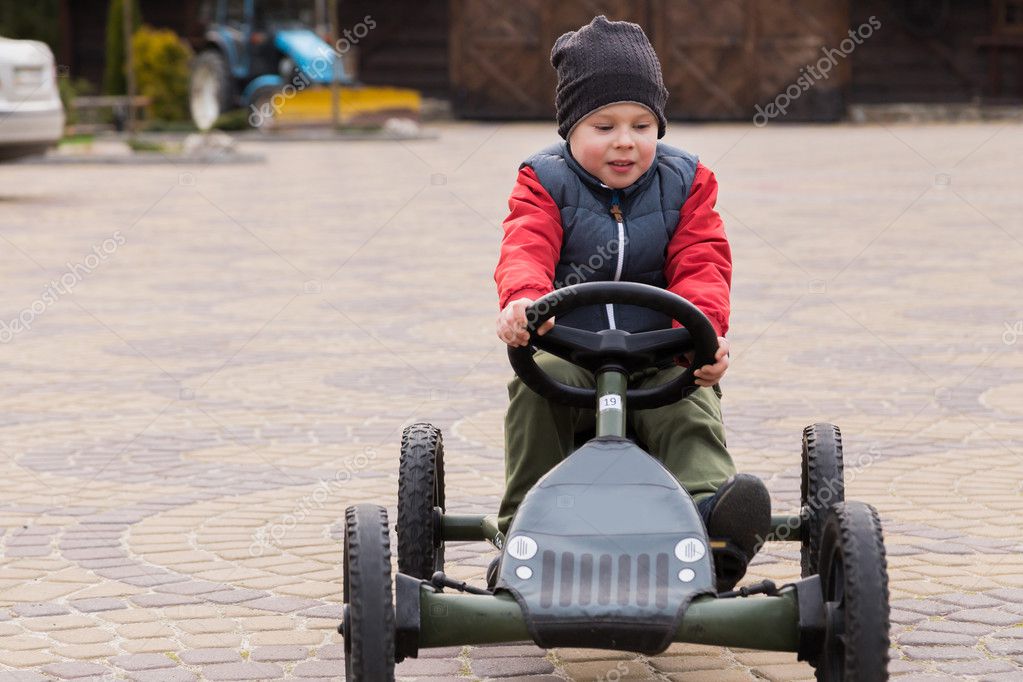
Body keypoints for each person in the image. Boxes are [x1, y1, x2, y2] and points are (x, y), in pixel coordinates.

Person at [491, 16, 770, 591]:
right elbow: (526, 246)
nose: (625, 140)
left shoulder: (687, 180)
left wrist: (704, 337)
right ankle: (523, 532)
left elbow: (704, 262)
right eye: (604, 125)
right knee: (535, 386)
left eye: (643, 124)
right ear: (571, 128)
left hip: (657, 351)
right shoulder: (543, 180)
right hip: (569, 352)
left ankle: (714, 525)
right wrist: (523, 302)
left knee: (689, 406)